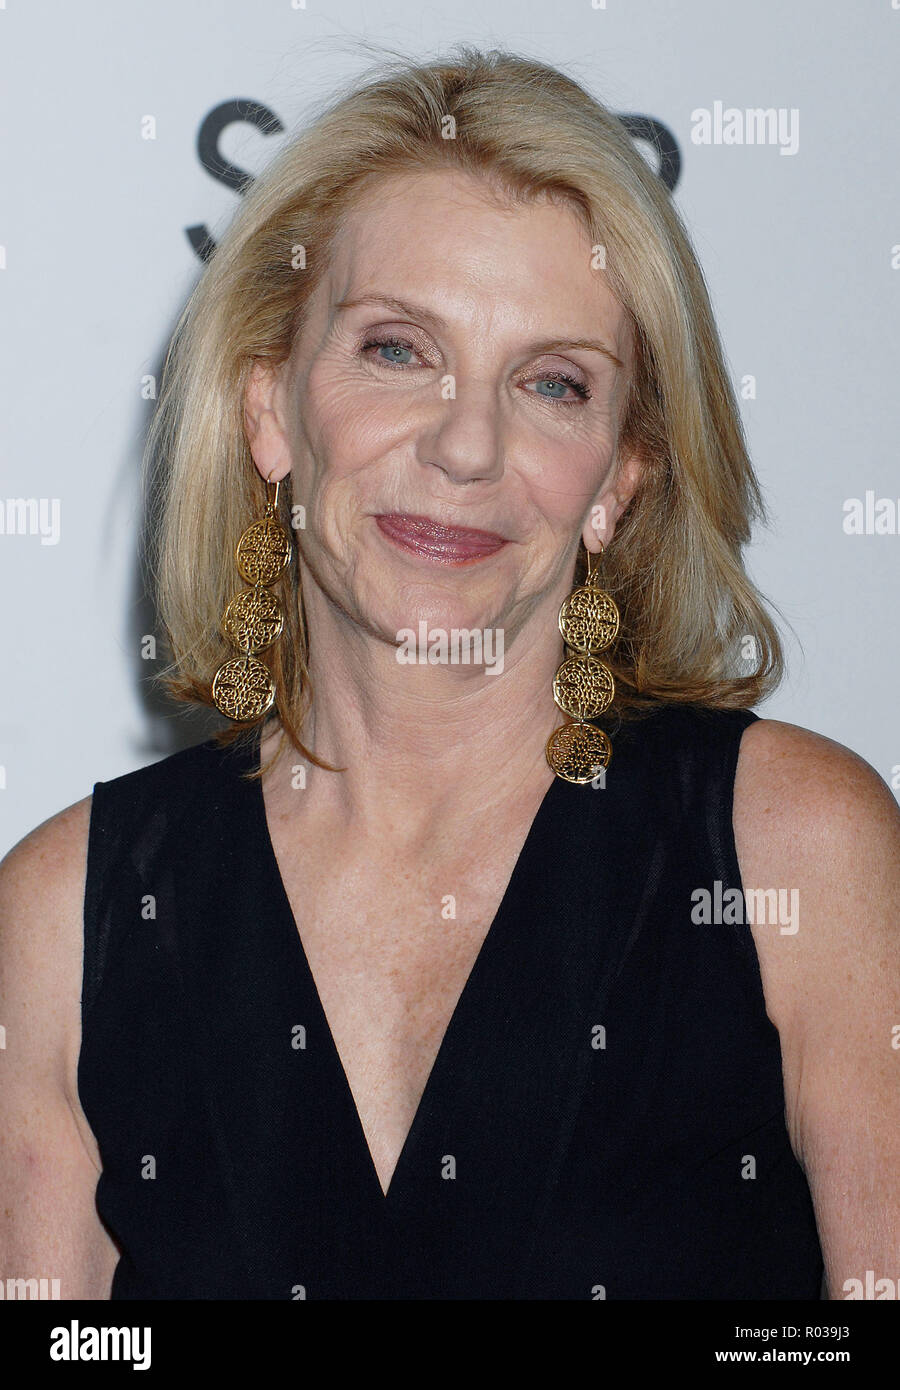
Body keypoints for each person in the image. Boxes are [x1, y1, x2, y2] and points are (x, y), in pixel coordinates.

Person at [1, 47, 897, 1302]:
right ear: (270, 410)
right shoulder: (64, 916)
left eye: (551, 382)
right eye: (397, 350)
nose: (468, 444)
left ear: (618, 480)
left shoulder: (792, 853)